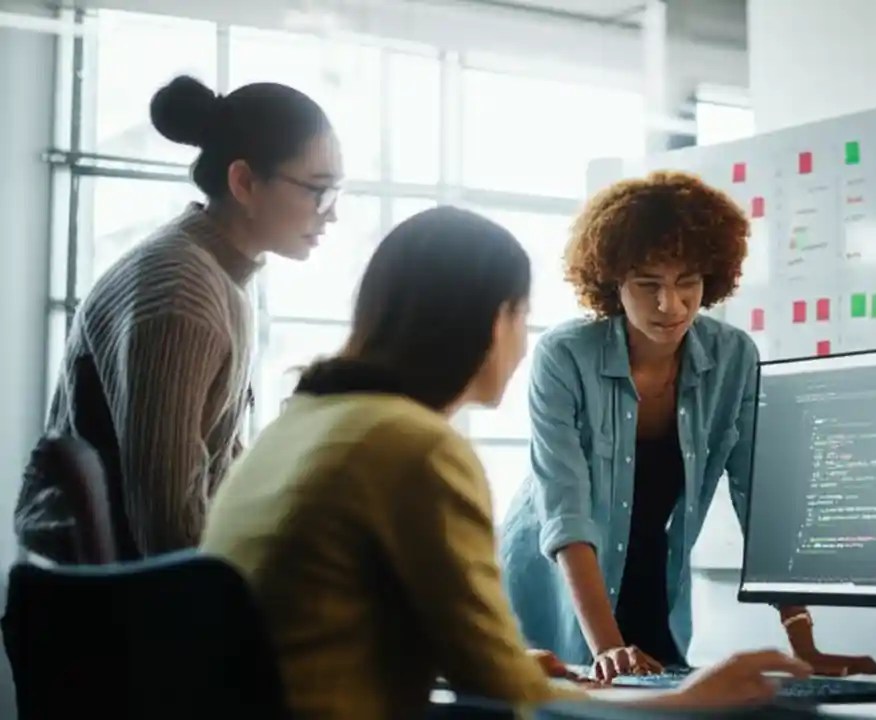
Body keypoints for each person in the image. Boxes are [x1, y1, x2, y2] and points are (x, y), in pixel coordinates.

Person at [200, 207, 810, 719]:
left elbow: (354, 630)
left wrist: (505, 659)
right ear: (497, 320)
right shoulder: (415, 447)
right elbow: (508, 701)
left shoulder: (300, 426)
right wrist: (688, 700)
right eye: (522, 316)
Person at [499, 170, 876, 681]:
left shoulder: (733, 357)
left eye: (688, 283)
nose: (671, 305)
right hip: (558, 582)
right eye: (648, 285)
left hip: (651, 579)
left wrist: (805, 643)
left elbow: (759, 502)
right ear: (613, 282)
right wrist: (609, 648)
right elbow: (566, 512)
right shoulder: (564, 356)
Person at [15, 75, 342, 562]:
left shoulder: (213, 276)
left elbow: (210, 481)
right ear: (244, 182)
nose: (330, 216)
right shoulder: (182, 292)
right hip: (118, 612)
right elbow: (168, 531)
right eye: (319, 192)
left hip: (126, 597)